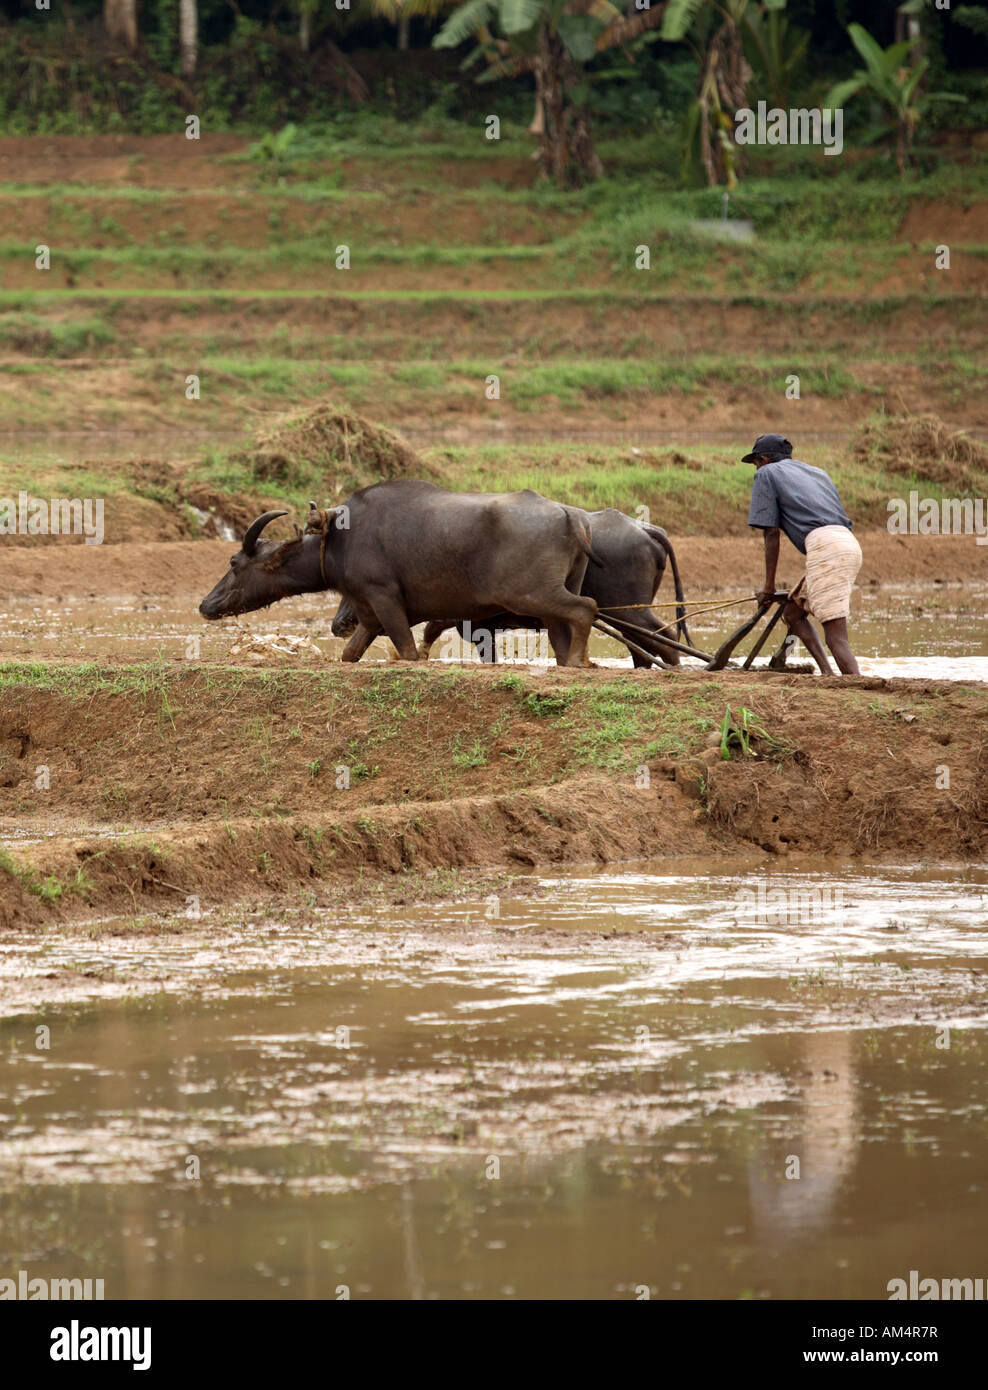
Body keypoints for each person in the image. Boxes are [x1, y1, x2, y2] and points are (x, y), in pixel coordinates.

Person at [742, 433, 862, 676]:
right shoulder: (817, 472)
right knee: (793, 612)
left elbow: (771, 533)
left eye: (755, 463)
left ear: (763, 460)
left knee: (836, 635)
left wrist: (768, 587)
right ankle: (828, 674)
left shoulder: (766, 473)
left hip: (825, 548)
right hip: (847, 542)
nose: (755, 469)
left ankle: (858, 685)